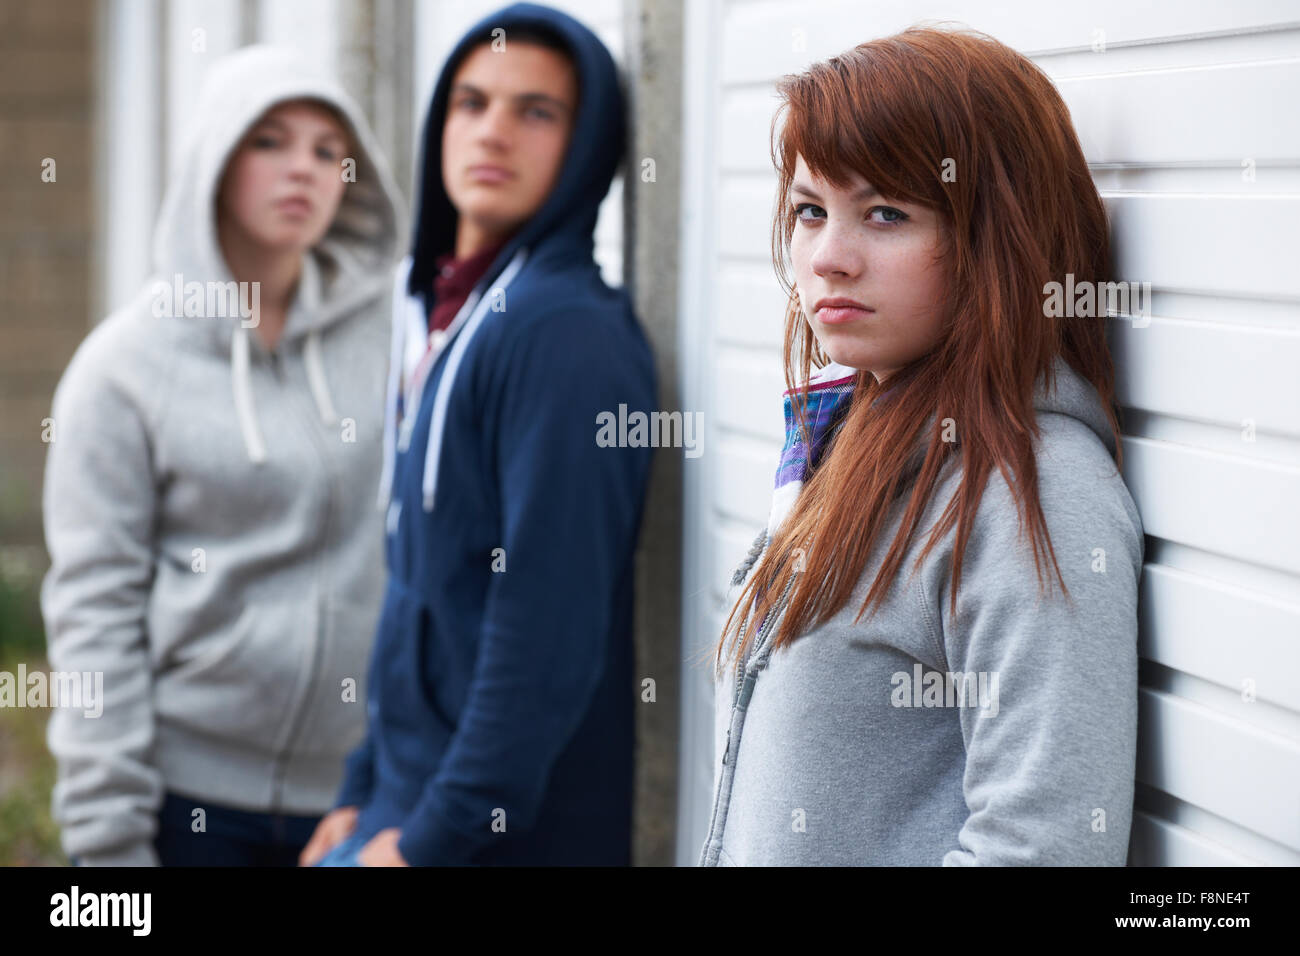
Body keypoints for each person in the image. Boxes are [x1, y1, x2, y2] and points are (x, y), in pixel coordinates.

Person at [697, 26, 1144, 866]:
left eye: (886, 213)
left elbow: (1041, 849)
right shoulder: (847, 437)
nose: (828, 258)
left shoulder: (1032, 492)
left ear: (998, 235)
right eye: (809, 211)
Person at [299, 3, 655, 868]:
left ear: (586, 147)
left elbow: (547, 632)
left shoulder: (564, 336)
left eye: (538, 111)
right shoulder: (434, 311)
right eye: (472, 102)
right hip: (395, 811)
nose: (495, 130)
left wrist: (428, 841)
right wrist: (359, 791)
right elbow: (421, 592)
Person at [41, 45, 405, 866]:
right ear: (213, 157)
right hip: (187, 804)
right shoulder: (123, 371)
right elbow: (93, 616)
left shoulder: (394, 340)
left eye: (327, 151)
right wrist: (107, 847)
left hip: (354, 806)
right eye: (268, 141)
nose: (302, 171)